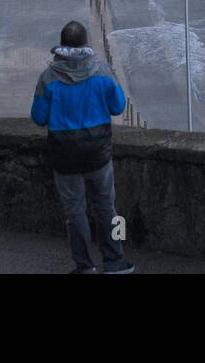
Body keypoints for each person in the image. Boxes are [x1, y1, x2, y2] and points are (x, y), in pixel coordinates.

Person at [30, 20, 132, 274]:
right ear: (86, 43)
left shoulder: (49, 76)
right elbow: (118, 106)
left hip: (64, 153)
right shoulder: (102, 71)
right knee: (106, 206)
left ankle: (85, 266)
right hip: (97, 151)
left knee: (74, 211)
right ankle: (114, 262)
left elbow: (39, 117)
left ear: (61, 45)